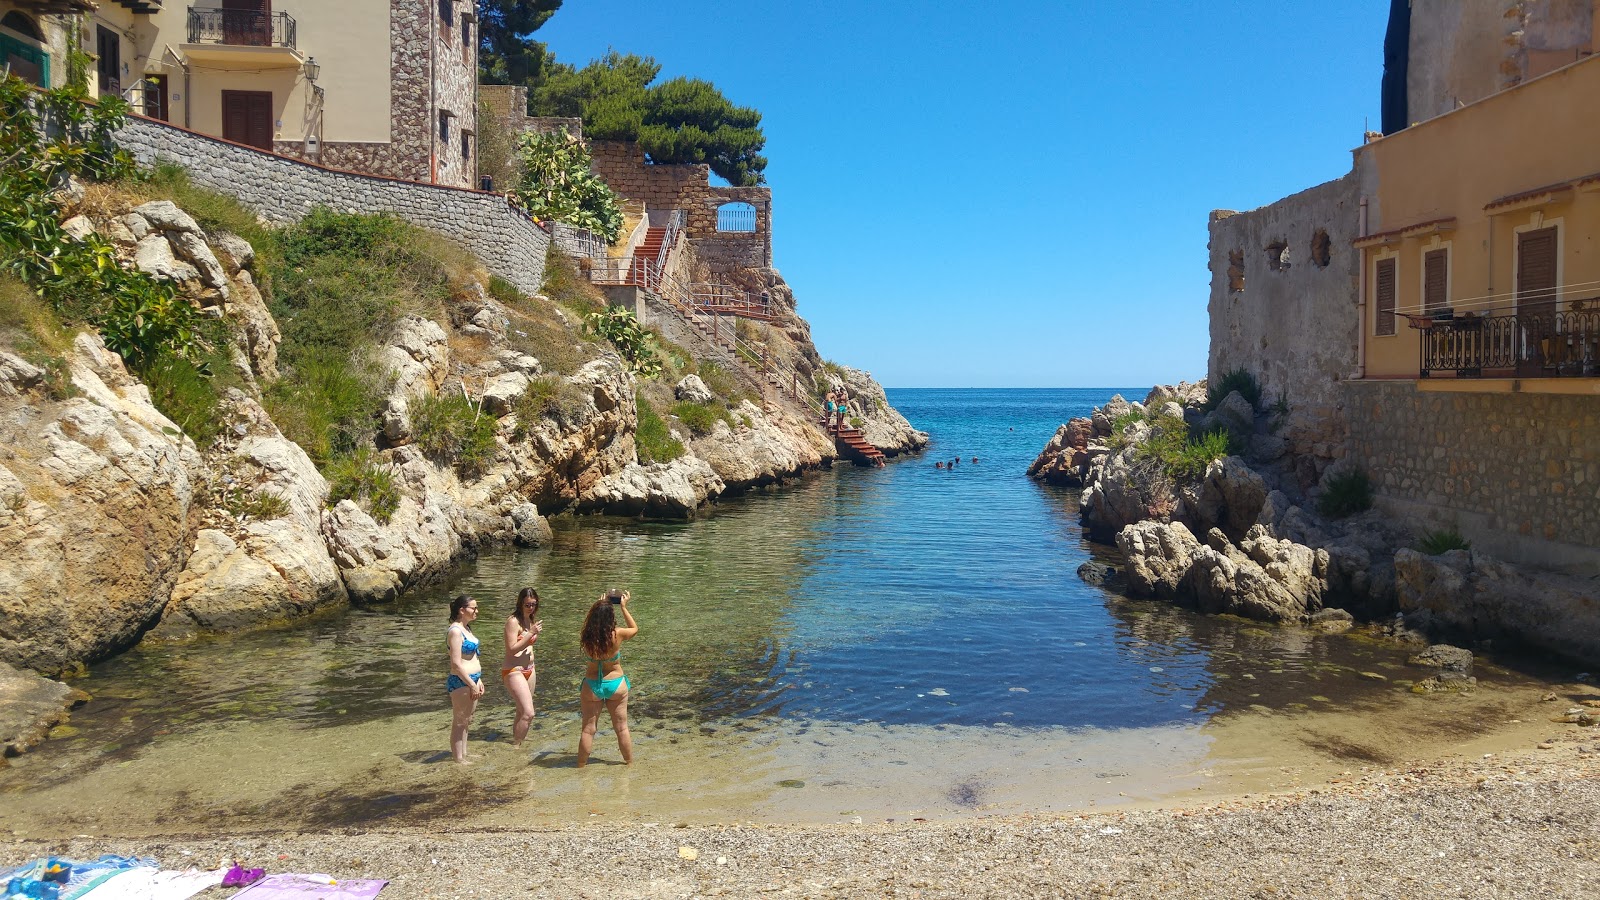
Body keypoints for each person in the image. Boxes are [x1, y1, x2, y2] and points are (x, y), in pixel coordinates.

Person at [577, 589, 639, 767]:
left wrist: (598, 605)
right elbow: (635, 629)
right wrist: (623, 607)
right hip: (615, 684)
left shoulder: (587, 637)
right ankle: (629, 766)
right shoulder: (617, 634)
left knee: (588, 731)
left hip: (592, 685)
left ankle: (580, 768)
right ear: (610, 617)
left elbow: (589, 620)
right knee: (621, 728)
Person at [500, 587, 543, 747]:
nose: (531, 607)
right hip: (514, 670)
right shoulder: (513, 622)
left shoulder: (530, 619)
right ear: (520, 604)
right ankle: (516, 748)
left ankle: (519, 739)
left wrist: (531, 632)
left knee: (521, 710)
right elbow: (511, 648)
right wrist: (531, 633)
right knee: (529, 712)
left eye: (533, 604)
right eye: (527, 605)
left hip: (529, 669)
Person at [446, 594, 484, 764]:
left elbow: (473, 658)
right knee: (460, 720)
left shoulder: (467, 628)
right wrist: (471, 684)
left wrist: (479, 680)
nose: (477, 611)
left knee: (468, 719)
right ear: (462, 610)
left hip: (473, 680)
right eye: (473, 608)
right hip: (461, 681)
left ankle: (464, 753)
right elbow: (456, 663)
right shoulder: (455, 631)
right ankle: (458, 759)